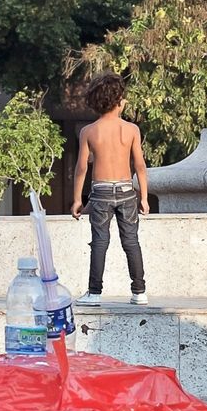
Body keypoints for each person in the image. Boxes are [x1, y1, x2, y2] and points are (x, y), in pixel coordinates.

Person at [73, 74, 149, 306]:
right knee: (131, 241)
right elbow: (140, 166)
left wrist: (77, 199)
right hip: (127, 190)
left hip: (101, 192)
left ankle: (94, 293)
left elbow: (81, 168)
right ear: (119, 101)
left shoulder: (89, 131)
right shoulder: (131, 130)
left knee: (100, 241)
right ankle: (139, 291)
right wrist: (144, 197)